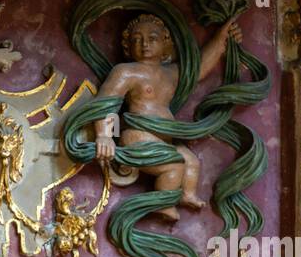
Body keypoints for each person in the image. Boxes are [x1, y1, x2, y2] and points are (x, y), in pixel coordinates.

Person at [93, 13, 240, 223]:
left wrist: (220, 39)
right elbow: (106, 102)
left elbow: (198, 69)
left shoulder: (170, 73)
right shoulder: (126, 71)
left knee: (191, 162)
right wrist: (104, 136)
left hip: (165, 140)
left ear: (165, 43)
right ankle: (165, 203)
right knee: (174, 164)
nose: (144, 44)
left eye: (152, 38)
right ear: (127, 45)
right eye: (137, 39)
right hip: (138, 137)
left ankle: (186, 194)